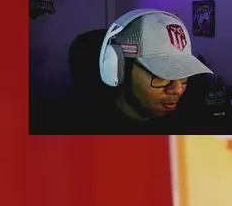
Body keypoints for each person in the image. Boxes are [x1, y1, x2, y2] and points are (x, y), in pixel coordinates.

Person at [49, 10, 214, 135]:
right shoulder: (78, 129)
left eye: (183, 73)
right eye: (161, 75)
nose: (178, 89)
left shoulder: (193, 121)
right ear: (118, 68)